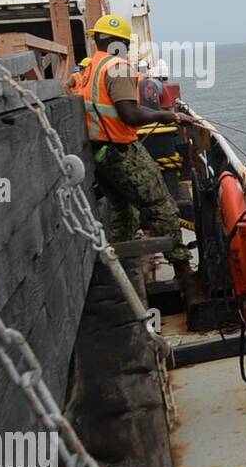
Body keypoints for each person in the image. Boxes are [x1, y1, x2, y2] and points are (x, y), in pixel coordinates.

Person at [71, 14, 195, 279]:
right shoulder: (118, 67)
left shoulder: (91, 68)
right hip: (120, 151)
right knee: (162, 207)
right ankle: (185, 274)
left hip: (99, 153)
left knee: (123, 210)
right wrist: (169, 116)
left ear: (97, 39)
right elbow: (130, 115)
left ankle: (115, 270)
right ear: (122, 43)